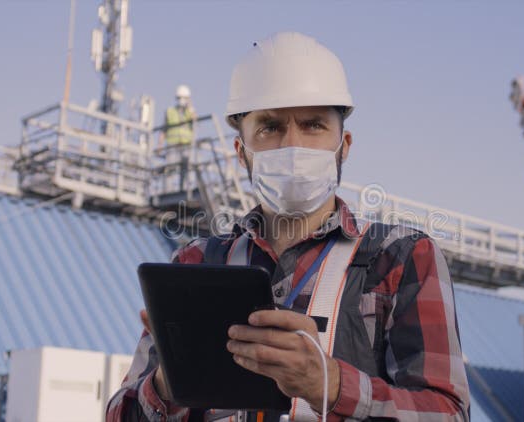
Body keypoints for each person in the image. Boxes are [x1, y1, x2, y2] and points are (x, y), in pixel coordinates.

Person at [107, 32, 469, 421]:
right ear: (240, 150)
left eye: (313, 125)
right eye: (269, 127)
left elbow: (447, 414)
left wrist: (331, 384)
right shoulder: (193, 264)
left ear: (344, 145)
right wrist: (168, 381)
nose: (292, 145)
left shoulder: (402, 260)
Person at [160, 84, 197, 191]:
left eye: (184, 98)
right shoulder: (170, 111)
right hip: (172, 144)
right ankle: (168, 189)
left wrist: (190, 107)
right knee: (170, 168)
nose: (182, 100)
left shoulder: (190, 112)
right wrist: (160, 144)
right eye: (180, 98)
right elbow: (164, 129)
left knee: (185, 169)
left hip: (186, 144)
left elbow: (195, 120)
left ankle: (185, 189)